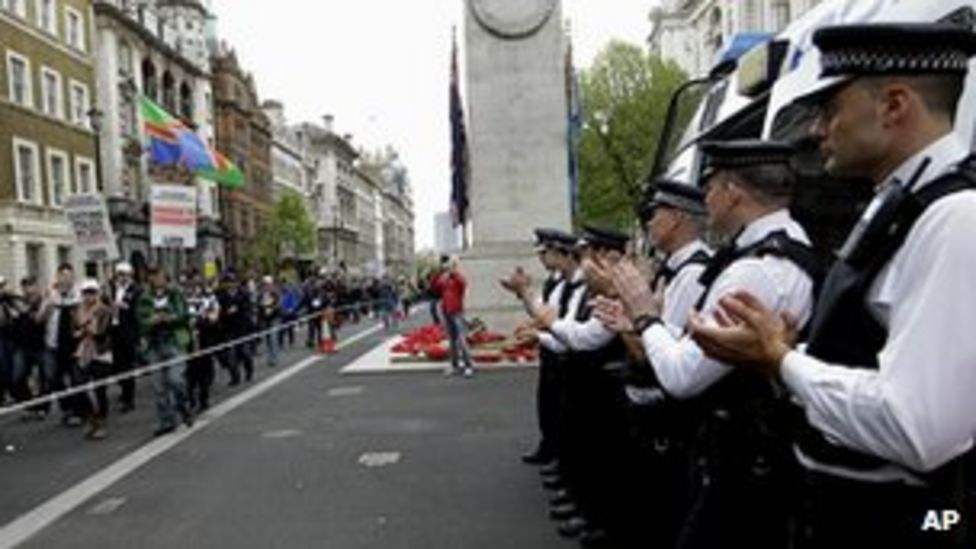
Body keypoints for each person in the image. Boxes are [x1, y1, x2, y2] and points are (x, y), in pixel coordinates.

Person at [688, 23, 976, 549]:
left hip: (905, 521)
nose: (818, 129)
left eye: (831, 109)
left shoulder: (954, 217)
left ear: (893, 105)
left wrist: (782, 359)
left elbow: (916, 427)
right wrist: (788, 349)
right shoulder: (897, 204)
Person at [596, 140, 821, 549]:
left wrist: (645, 315)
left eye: (711, 187)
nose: (707, 200)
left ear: (733, 191)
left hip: (744, 452)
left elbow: (682, 376)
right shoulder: (785, 243)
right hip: (753, 447)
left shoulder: (755, 270)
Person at [138, 266, 194, 437]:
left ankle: (183, 406)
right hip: (154, 343)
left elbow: (184, 314)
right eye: (152, 276)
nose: (156, 279)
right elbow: (141, 319)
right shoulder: (145, 298)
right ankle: (166, 420)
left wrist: (168, 317)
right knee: (159, 386)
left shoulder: (175, 294)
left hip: (174, 341)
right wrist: (151, 321)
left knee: (175, 379)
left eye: (159, 275)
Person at [73, 279, 113, 440]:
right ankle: (90, 417)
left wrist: (90, 330)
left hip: (101, 352)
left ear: (97, 294)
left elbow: (104, 332)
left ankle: (101, 422)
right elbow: (74, 330)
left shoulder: (104, 311)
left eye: (92, 293)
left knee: (99, 389)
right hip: (82, 351)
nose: (89, 297)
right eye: (86, 293)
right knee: (78, 385)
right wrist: (81, 332)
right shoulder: (77, 311)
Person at [431, 256, 474, 377]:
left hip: (457, 312)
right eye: (448, 266)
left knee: (461, 340)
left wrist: (453, 272)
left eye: (451, 266)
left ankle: (468, 365)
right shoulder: (445, 279)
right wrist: (439, 271)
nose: (448, 268)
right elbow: (434, 286)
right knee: (452, 341)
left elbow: (463, 283)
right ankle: (454, 365)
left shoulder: (458, 278)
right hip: (446, 312)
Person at [108, 262, 140, 413]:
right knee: (117, 365)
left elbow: (138, 310)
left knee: (127, 365)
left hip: (128, 331)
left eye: (124, 274)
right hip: (114, 330)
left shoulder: (136, 290)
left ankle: (129, 398)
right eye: (119, 274)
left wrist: (123, 306)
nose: (121, 277)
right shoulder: (112, 289)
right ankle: (123, 388)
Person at [257, 275, 280, 368]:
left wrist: (272, 309)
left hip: (274, 318)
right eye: (265, 284)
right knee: (267, 340)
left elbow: (278, 304)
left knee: (273, 338)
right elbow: (258, 306)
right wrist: (262, 307)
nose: (266, 286)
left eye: (268, 284)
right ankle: (270, 357)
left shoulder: (275, 293)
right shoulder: (260, 294)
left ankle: (274, 358)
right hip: (264, 319)